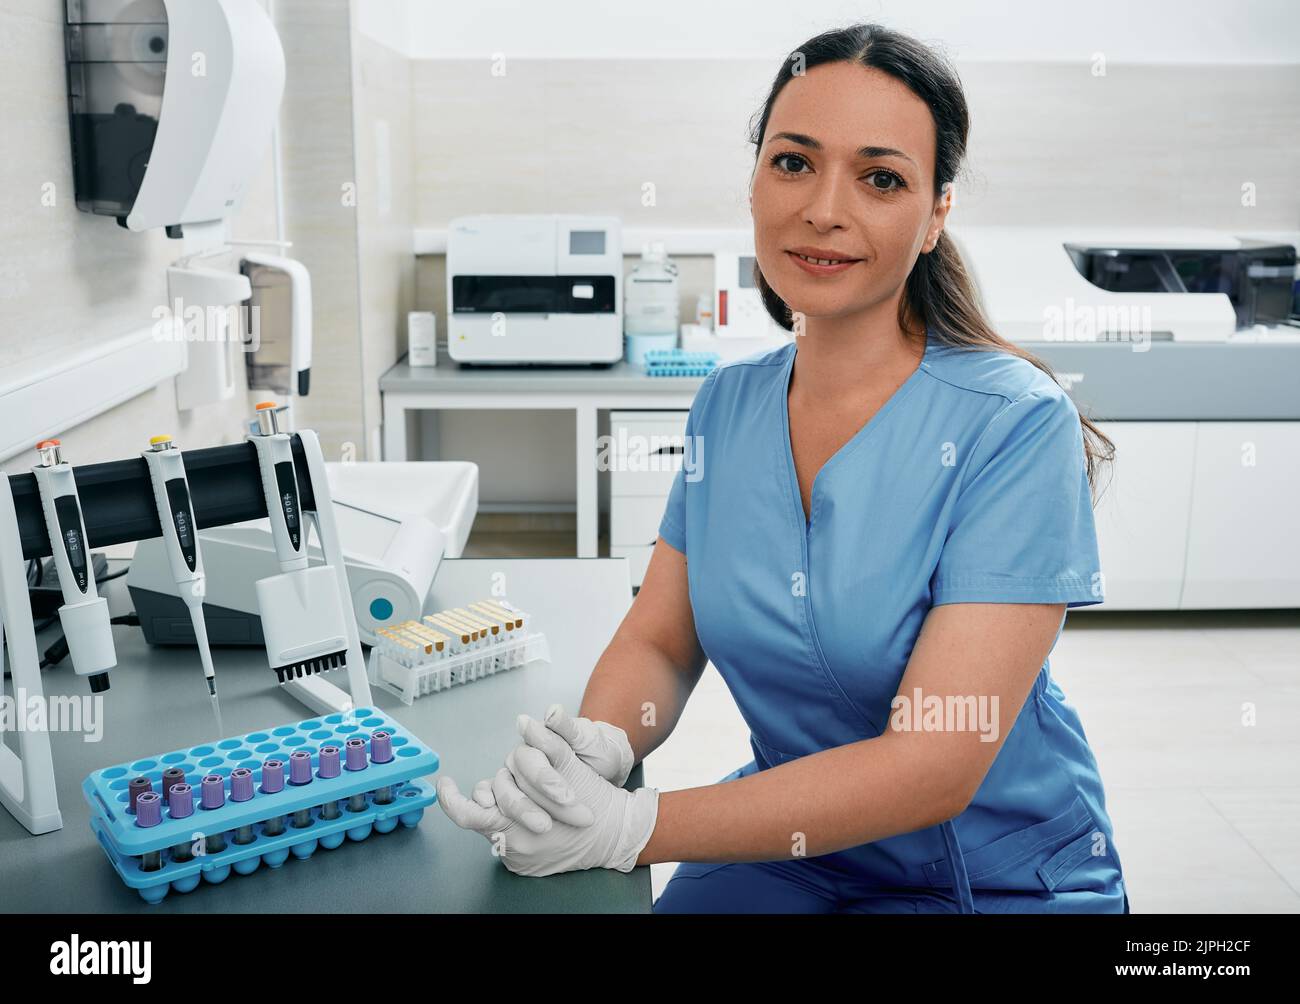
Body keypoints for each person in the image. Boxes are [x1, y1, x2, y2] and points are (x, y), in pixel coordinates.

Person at [438, 22, 1129, 914]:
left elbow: (931, 765)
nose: (825, 210)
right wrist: (594, 752)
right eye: (794, 162)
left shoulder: (1013, 425)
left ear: (936, 217)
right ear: (756, 177)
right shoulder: (729, 407)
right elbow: (660, 637)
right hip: (786, 843)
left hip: (987, 875)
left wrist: (630, 826)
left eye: (882, 179)